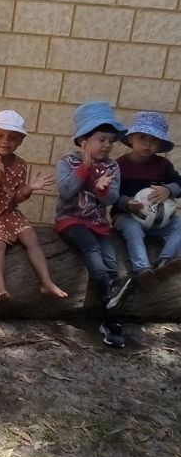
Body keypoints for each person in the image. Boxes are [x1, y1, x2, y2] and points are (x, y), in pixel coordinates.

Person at [0, 110, 67, 302]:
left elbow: (16, 197)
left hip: (10, 213)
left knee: (31, 238)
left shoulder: (21, 165)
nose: (5, 142)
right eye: (0, 136)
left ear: (19, 142)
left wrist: (29, 187)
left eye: (12, 138)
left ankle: (46, 282)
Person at [54, 101, 132, 349]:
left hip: (98, 222)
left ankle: (110, 322)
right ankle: (111, 293)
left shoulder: (112, 166)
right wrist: (85, 169)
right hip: (70, 220)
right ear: (83, 141)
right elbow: (66, 191)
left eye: (111, 140)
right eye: (101, 139)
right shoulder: (67, 162)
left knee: (110, 263)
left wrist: (103, 190)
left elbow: (111, 199)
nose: (107, 145)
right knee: (90, 248)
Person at [111, 111, 181, 286]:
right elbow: (111, 195)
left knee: (180, 224)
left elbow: (179, 183)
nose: (148, 144)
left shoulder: (163, 166)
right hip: (126, 216)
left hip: (157, 221)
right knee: (132, 229)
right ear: (131, 139)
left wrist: (169, 190)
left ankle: (165, 261)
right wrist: (126, 203)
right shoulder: (119, 165)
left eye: (154, 140)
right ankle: (142, 269)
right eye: (142, 137)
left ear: (160, 145)